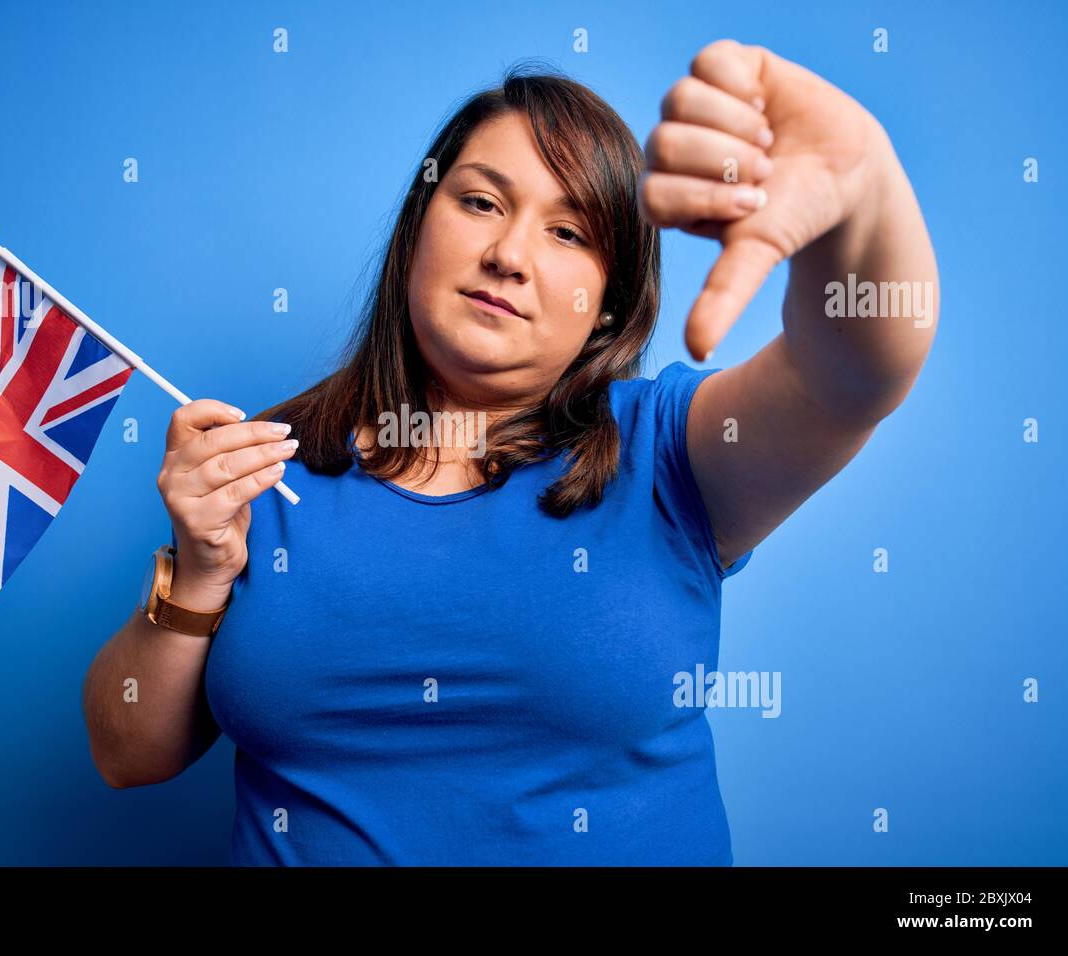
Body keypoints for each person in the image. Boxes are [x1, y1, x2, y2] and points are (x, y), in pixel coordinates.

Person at [82, 40, 939, 865]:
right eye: (482, 202)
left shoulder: (671, 455)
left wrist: (864, 190)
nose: (509, 254)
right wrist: (198, 571)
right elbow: (128, 755)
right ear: (420, 225)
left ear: (608, 302)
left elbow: (857, 371)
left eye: (570, 233)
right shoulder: (267, 463)